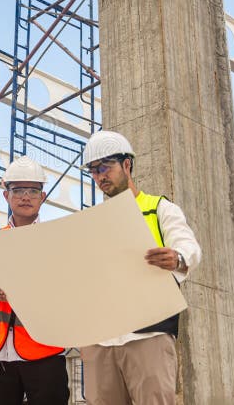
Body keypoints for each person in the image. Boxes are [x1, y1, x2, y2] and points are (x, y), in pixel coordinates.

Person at [79, 130, 202, 405]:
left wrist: (178, 258)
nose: (100, 177)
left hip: (149, 333)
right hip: (101, 338)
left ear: (127, 164)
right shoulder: (93, 222)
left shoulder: (159, 209)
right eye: (93, 171)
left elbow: (189, 247)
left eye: (104, 167)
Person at [0, 156, 70, 405]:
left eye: (33, 190)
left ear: (43, 197)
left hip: (45, 352)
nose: (25, 197)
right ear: (6, 196)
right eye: (18, 190)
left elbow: (67, 291)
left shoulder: (57, 242)